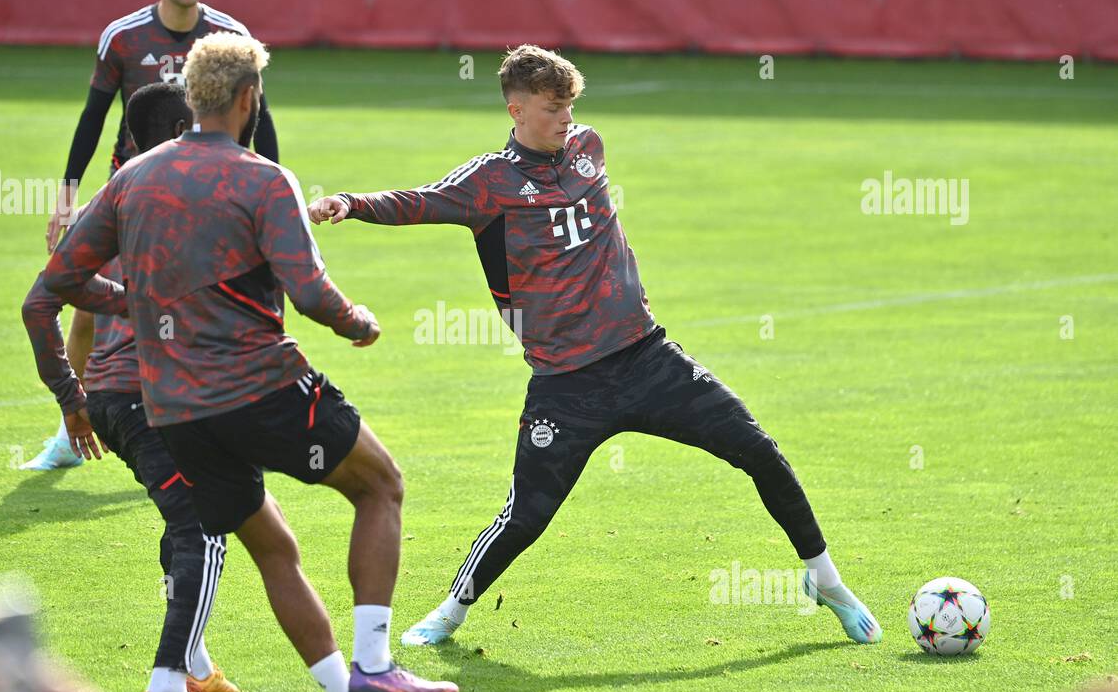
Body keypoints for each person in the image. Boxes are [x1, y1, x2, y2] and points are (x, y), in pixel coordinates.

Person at [308, 44, 882, 648]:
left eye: (571, 105)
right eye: (554, 107)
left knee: (759, 450)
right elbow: (418, 201)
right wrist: (350, 204)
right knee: (525, 515)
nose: (566, 119)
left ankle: (825, 579)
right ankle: (451, 611)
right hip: (566, 385)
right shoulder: (490, 182)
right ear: (517, 110)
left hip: (647, 357)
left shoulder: (589, 148)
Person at [42, 33, 458, 692]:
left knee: (271, 545)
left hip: (175, 410)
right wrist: (358, 322)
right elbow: (311, 292)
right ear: (246, 99)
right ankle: (377, 664)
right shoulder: (264, 178)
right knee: (380, 486)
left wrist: (131, 308)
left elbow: (54, 286)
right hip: (263, 389)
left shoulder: (132, 179)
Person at [22, 82, 251, 692]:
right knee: (202, 530)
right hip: (152, 402)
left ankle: (196, 663)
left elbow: (45, 303)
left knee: (187, 517)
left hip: (130, 401)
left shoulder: (109, 201)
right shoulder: (184, 196)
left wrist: (74, 401)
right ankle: (166, 690)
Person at [22, 0, 278, 471]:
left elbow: (260, 120)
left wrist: (269, 199)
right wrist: (67, 194)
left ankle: (205, 427)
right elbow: (93, 119)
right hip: (129, 195)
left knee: (206, 307)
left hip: (209, 197)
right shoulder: (124, 38)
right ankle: (74, 430)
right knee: (87, 309)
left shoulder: (231, 37)